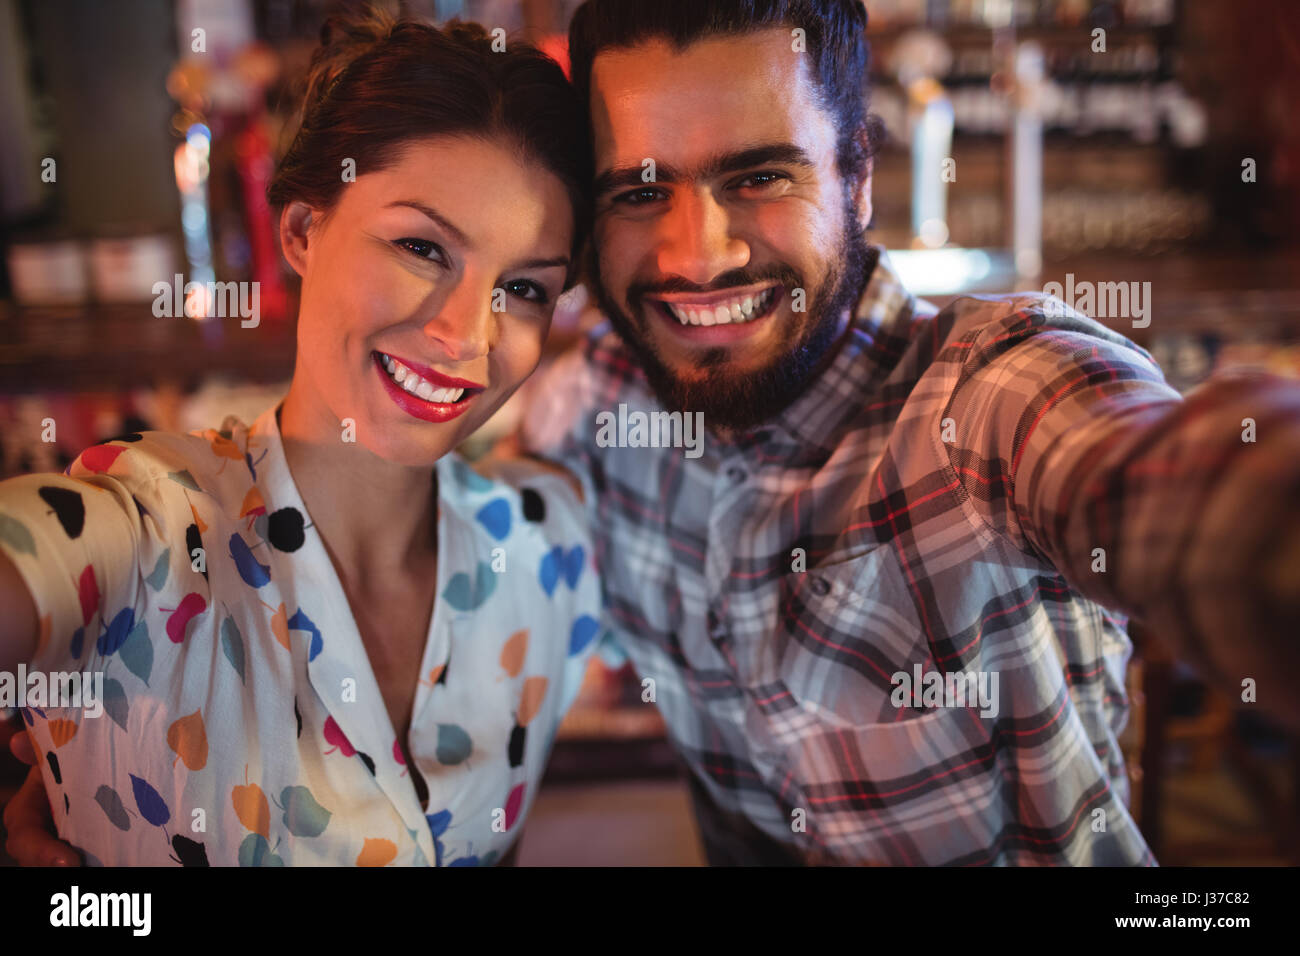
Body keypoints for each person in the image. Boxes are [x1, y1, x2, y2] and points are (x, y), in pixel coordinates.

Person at [510, 0, 1300, 865]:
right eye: (641, 191)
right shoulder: (599, 398)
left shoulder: (986, 399)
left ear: (857, 181)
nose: (697, 256)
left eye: (761, 177)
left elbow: (1170, 487)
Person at [0, 11, 606, 866]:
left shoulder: (547, 554)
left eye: (525, 288)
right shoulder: (149, 533)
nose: (469, 335)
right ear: (300, 232)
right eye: (422, 247)